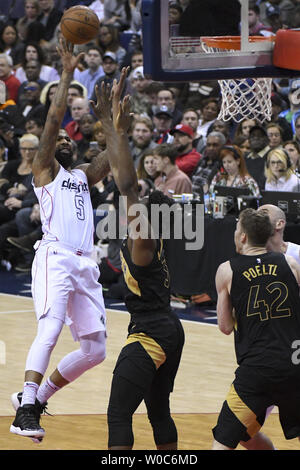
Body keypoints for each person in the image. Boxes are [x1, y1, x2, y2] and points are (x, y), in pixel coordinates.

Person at [10, 38, 110, 442]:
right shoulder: (45, 172)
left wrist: (115, 117)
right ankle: (26, 410)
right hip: (55, 257)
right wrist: (67, 73)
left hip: (86, 263)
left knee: (96, 350)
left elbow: (115, 158)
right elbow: (52, 125)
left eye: (72, 140)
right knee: (49, 330)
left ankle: (33, 396)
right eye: (62, 141)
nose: (66, 141)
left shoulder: (82, 175)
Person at [92, 69, 185, 450]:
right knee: (159, 413)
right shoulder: (152, 240)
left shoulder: (144, 241)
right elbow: (126, 188)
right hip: (168, 328)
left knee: (118, 415)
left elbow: (127, 185)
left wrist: (114, 129)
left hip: (151, 334)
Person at [213, 208, 300, 450]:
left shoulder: (227, 270)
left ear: (242, 237)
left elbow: (225, 327)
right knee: (247, 436)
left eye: (236, 229)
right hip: (294, 366)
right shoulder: (290, 264)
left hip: (256, 371)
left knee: (225, 441)